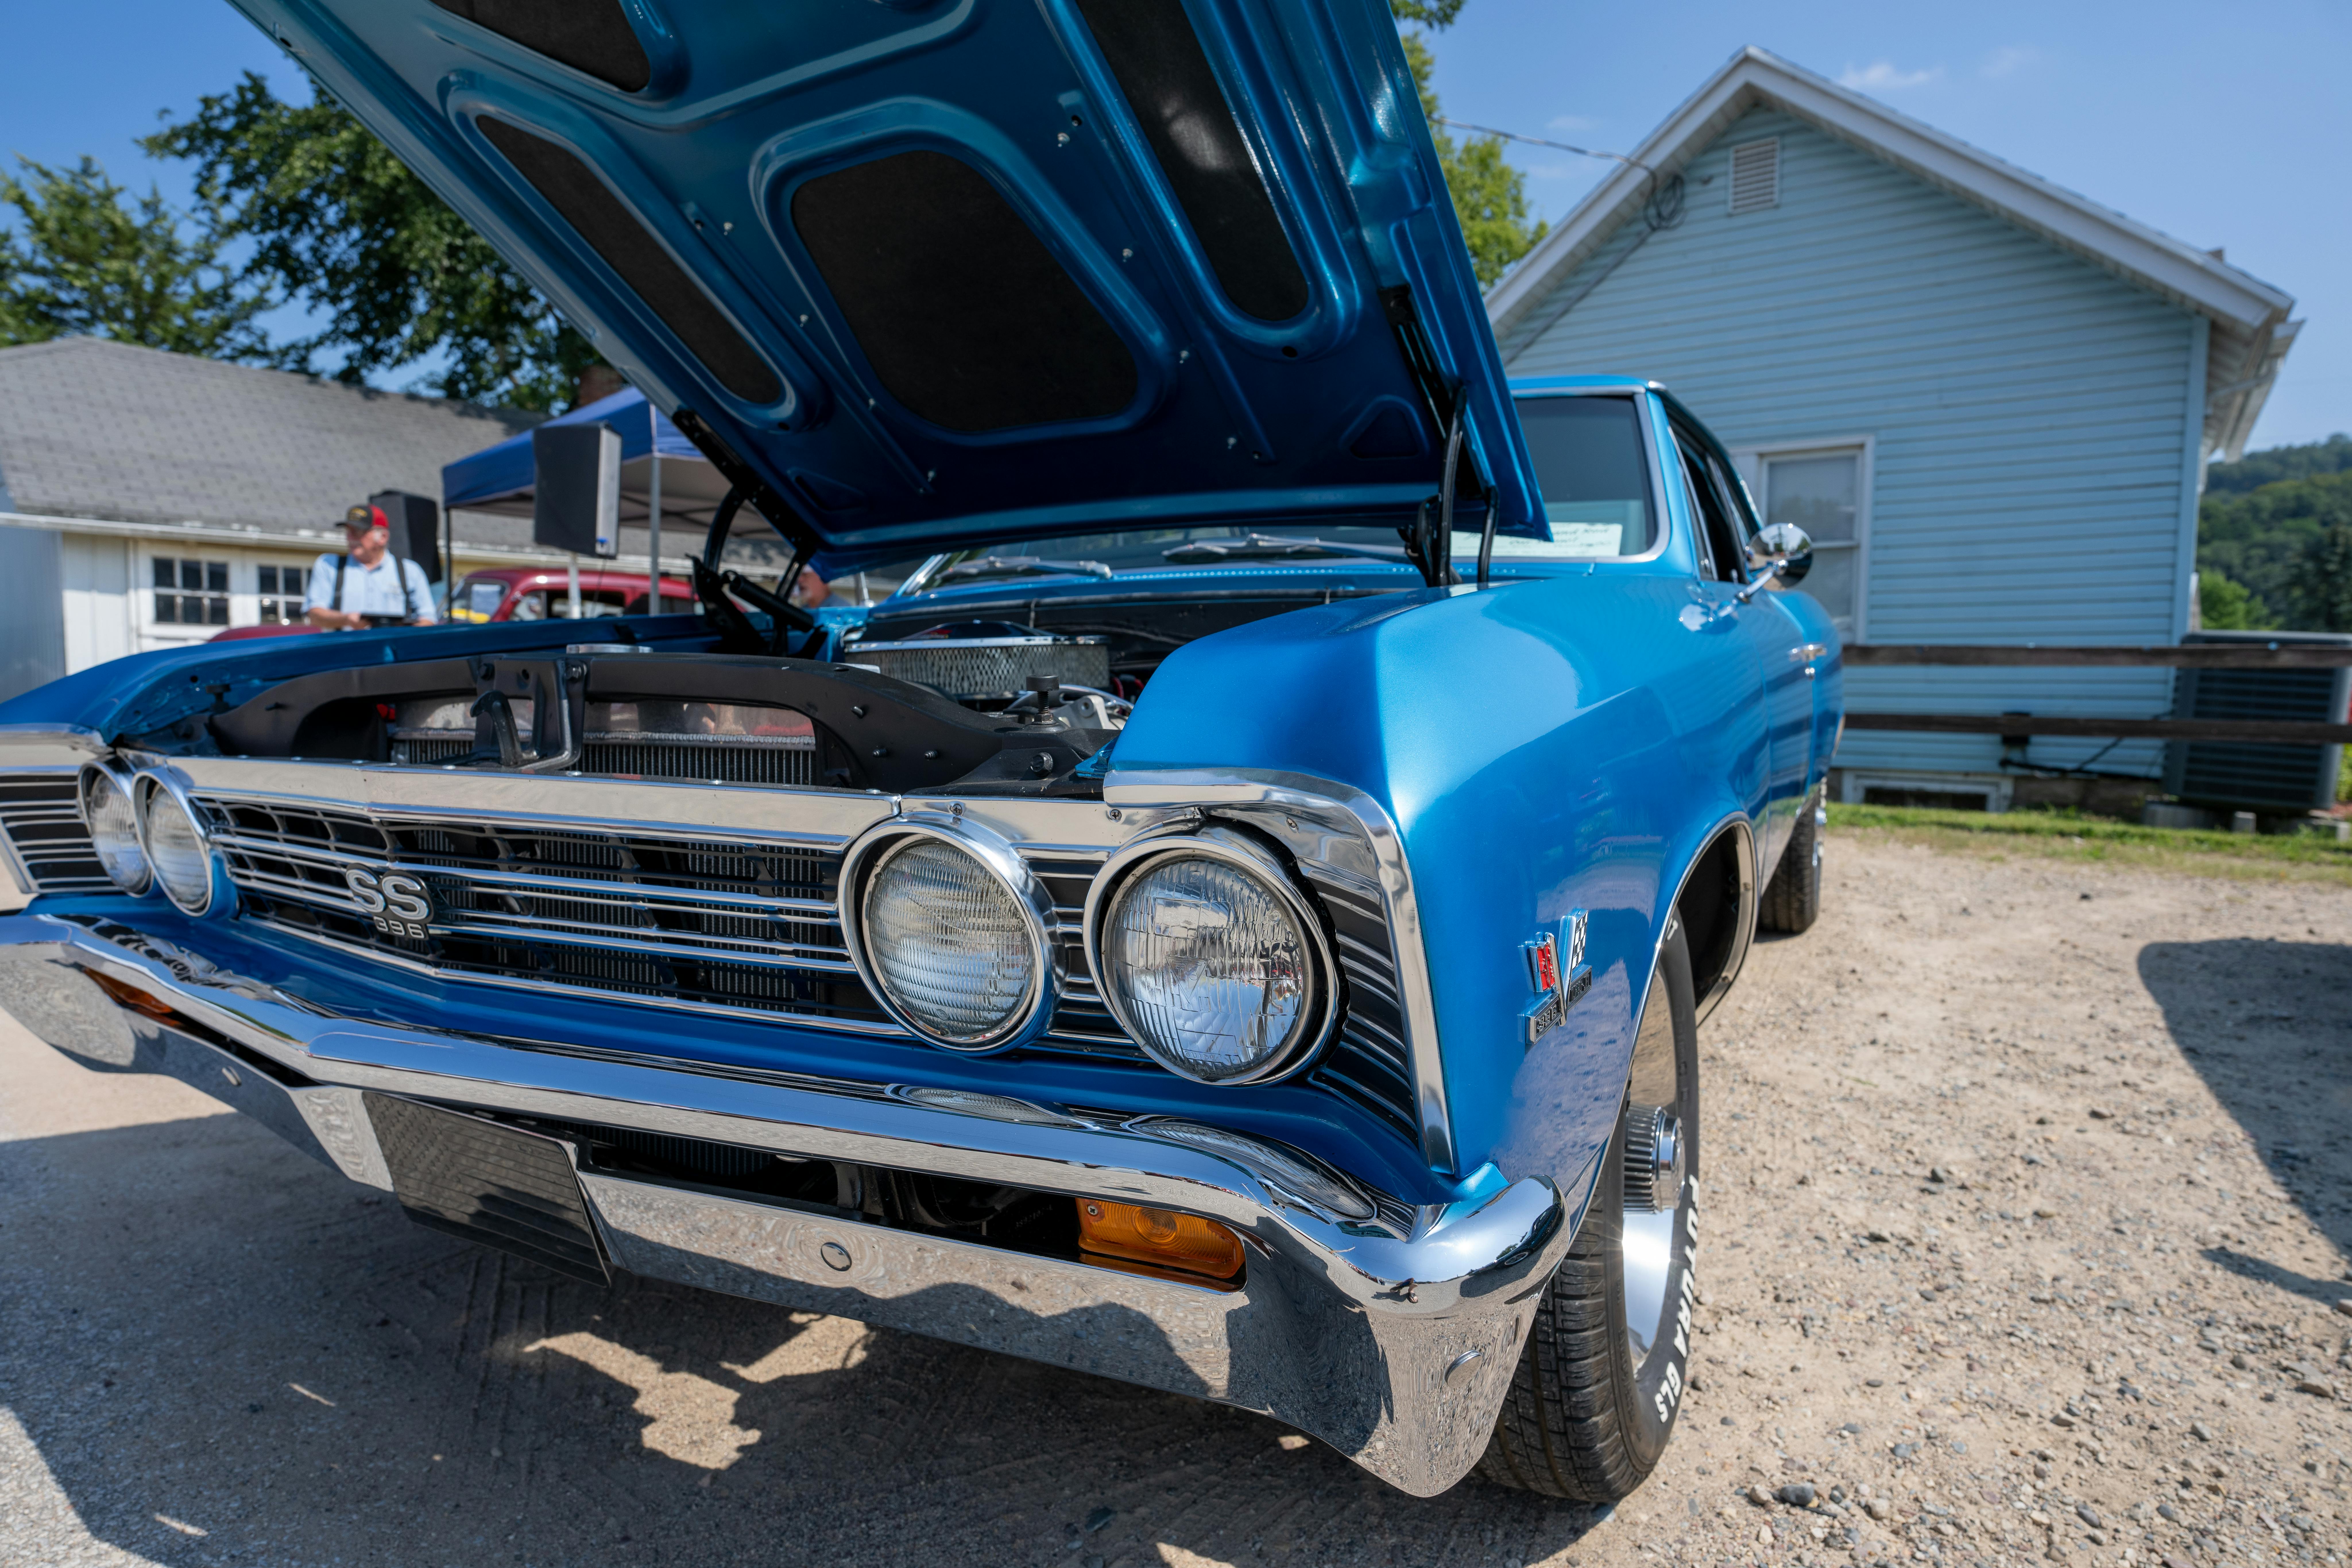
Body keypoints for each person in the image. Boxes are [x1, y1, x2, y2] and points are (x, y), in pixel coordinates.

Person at [305, 504, 439, 629]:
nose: (351, 538)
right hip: (345, 650)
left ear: (383, 537)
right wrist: (346, 620)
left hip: (392, 651)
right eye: (348, 531)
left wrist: (403, 633)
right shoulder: (329, 565)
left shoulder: (410, 571)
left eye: (358, 531)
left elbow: (429, 619)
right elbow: (315, 615)